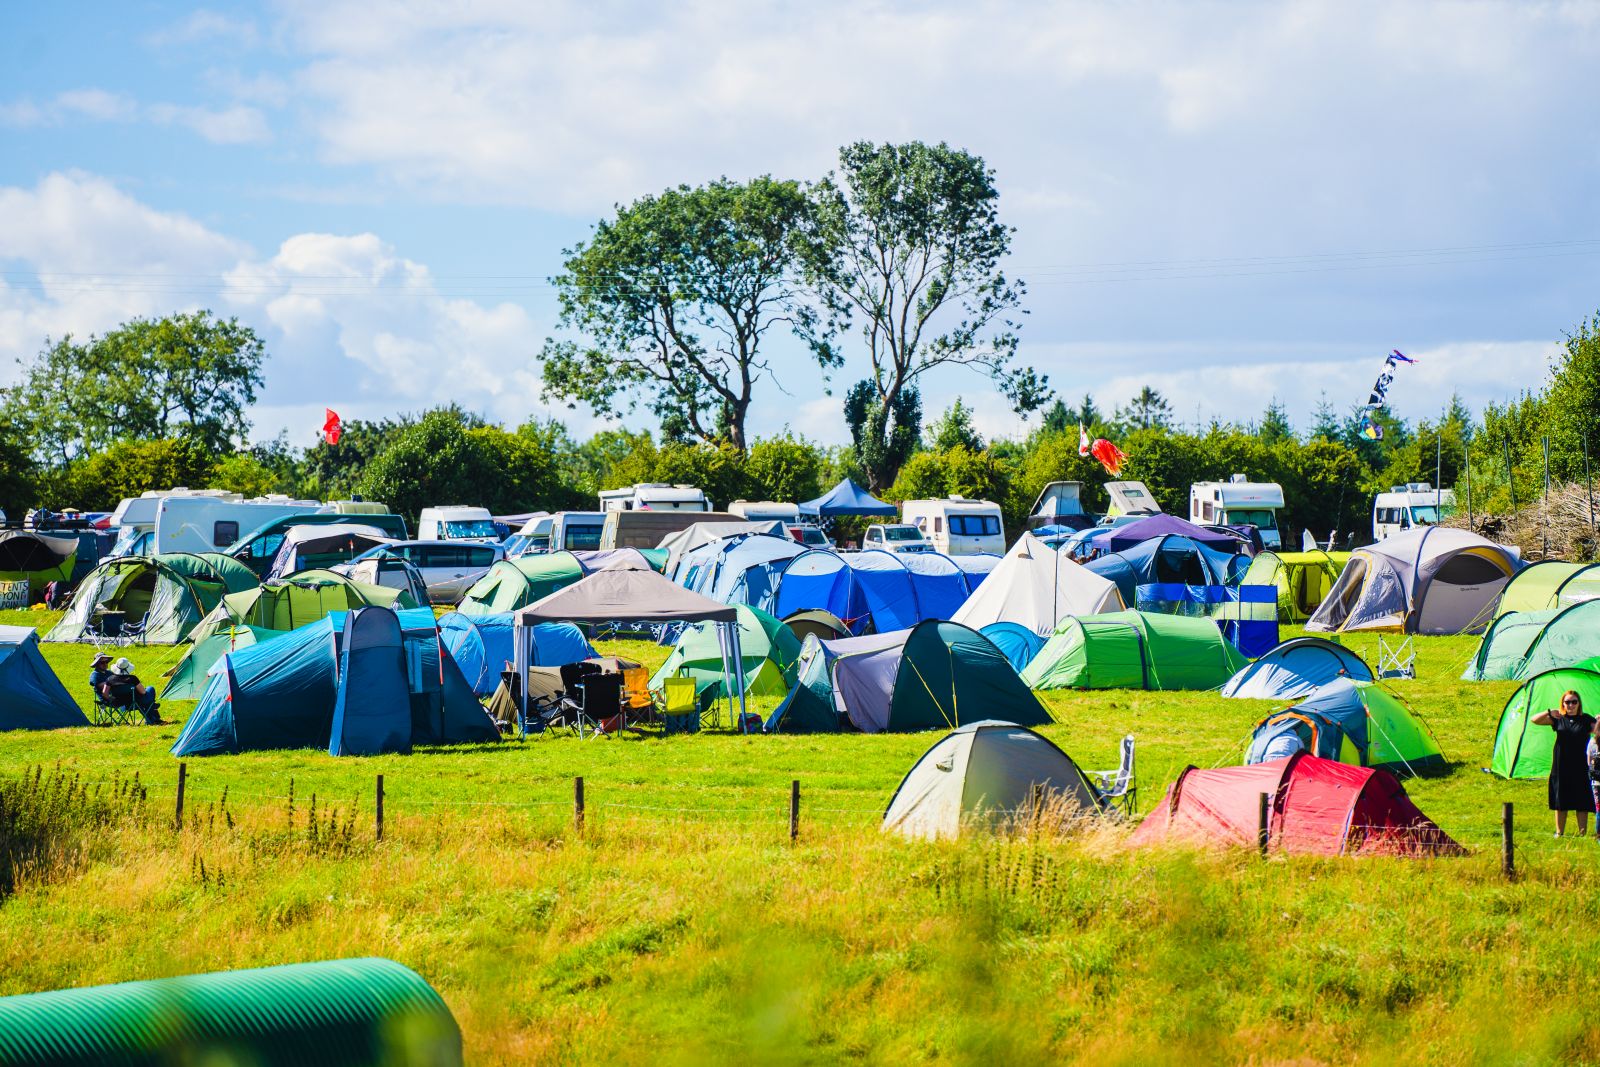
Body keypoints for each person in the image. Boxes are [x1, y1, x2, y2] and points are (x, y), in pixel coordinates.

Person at [1532, 689, 1596, 837]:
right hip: (1561, 765)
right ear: (1563, 704)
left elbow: (1597, 731)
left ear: (1579, 703)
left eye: (1574, 702)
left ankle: (1582, 834)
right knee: (1561, 799)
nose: (1571, 705)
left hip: (1581, 765)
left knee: (1582, 800)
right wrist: (1549, 712)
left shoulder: (1586, 719)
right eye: (1567, 702)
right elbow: (1534, 720)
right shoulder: (1558, 719)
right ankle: (1559, 832)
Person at [90, 655, 164, 726]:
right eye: (102, 662)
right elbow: (143, 692)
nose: (105, 664)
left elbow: (107, 690)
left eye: (107, 662)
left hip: (119, 700)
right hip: (128, 701)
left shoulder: (110, 678)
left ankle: (153, 717)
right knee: (149, 690)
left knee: (144, 700)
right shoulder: (96, 675)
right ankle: (153, 712)